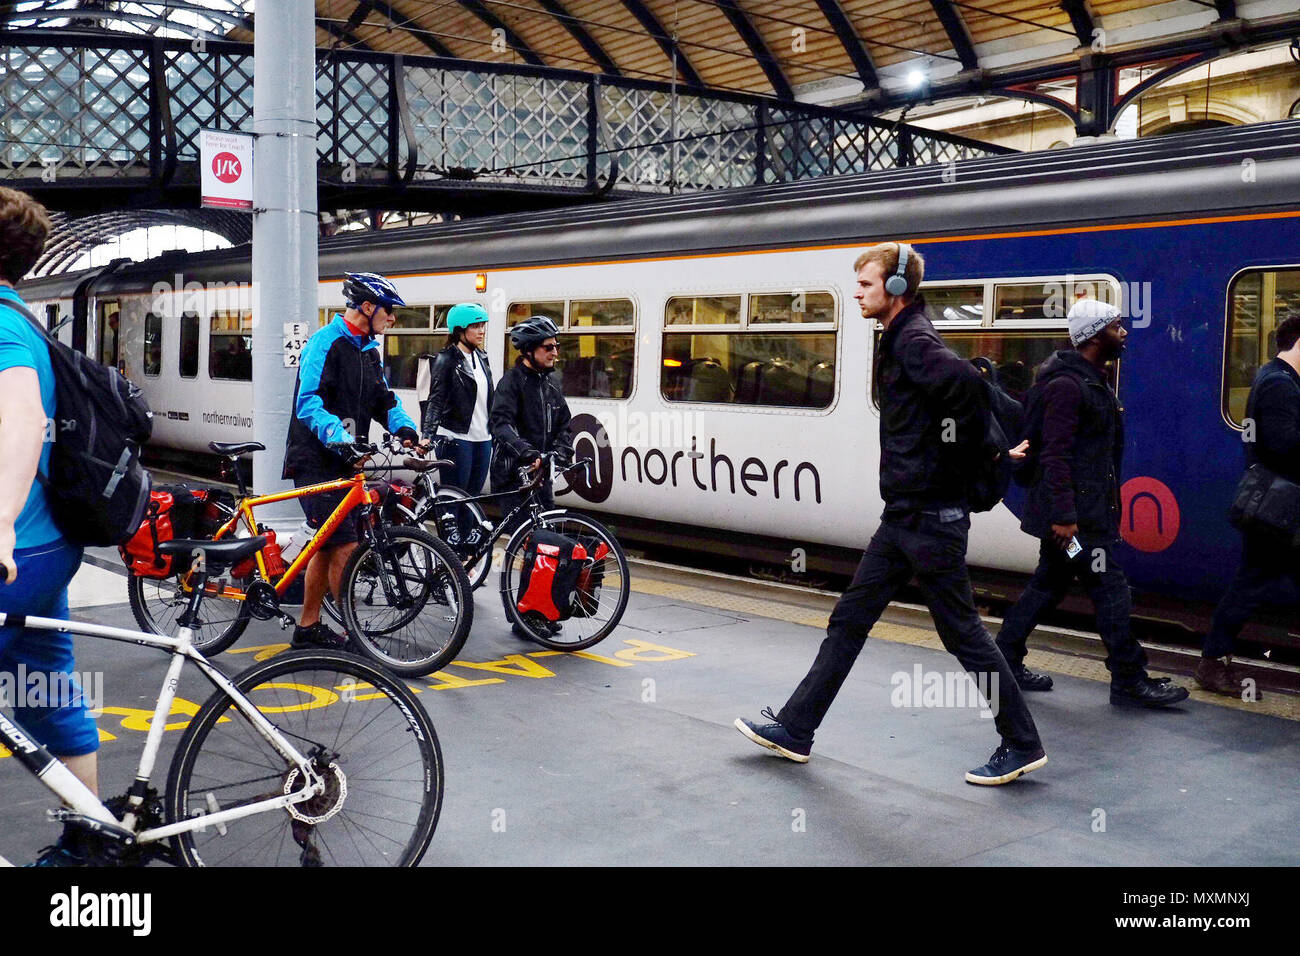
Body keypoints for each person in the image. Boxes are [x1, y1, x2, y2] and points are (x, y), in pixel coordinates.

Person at [736, 243, 1047, 786]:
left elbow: (968, 387)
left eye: (866, 284)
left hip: (930, 519)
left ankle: (1021, 742)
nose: (856, 293)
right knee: (850, 620)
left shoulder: (916, 341)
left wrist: (989, 450)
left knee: (965, 636)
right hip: (906, 517)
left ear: (897, 288)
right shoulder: (902, 337)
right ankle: (796, 728)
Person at [994, 298, 1189, 707]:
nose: (1124, 333)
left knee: (1049, 584)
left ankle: (1004, 659)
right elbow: (1056, 455)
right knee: (1110, 588)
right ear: (1096, 336)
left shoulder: (1087, 380)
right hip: (1075, 522)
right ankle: (1130, 678)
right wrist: (1065, 518)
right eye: (1117, 326)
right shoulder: (1068, 387)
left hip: (1077, 515)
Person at [0, 186, 97, 865]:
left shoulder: (2, 325)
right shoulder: (25, 318)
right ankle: (89, 838)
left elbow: (22, 420)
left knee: (46, 686)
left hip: (20, 547)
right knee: (49, 687)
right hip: (52, 542)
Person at [282, 272, 423, 648]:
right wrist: (340, 439)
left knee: (328, 546)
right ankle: (354, 632)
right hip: (315, 458)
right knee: (344, 546)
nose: (392, 319)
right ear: (367, 307)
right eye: (389, 311)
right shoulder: (323, 344)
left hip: (346, 461)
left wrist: (406, 430)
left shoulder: (367, 351)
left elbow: (383, 400)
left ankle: (308, 626)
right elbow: (308, 402)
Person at [1197, 311, 1300, 697]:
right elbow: (1283, 445)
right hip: (1276, 510)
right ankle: (1211, 662)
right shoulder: (1279, 384)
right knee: (1249, 584)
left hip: (1279, 507)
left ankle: (1212, 661)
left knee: (1251, 583)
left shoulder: (1279, 379)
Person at [489, 315, 573, 514]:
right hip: (514, 476)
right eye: (548, 347)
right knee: (526, 536)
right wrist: (527, 453)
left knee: (546, 536)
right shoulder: (511, 382)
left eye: (556, 346)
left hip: (541, 474)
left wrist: (560, 452)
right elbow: (501, 424)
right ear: (529, 350)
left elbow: (564, 423)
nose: (555, 352)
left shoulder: (551, 383)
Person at [422, 303, 494, 494]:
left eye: (482, 326)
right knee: (455, 497)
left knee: (472, 499)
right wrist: (427, 436)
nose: (481, 331)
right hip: (456, 438)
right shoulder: (446, 359)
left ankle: (468, 527)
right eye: (475, 326)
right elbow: (435, 400)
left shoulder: (482, 357)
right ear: (460, 330)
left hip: (483, 438)